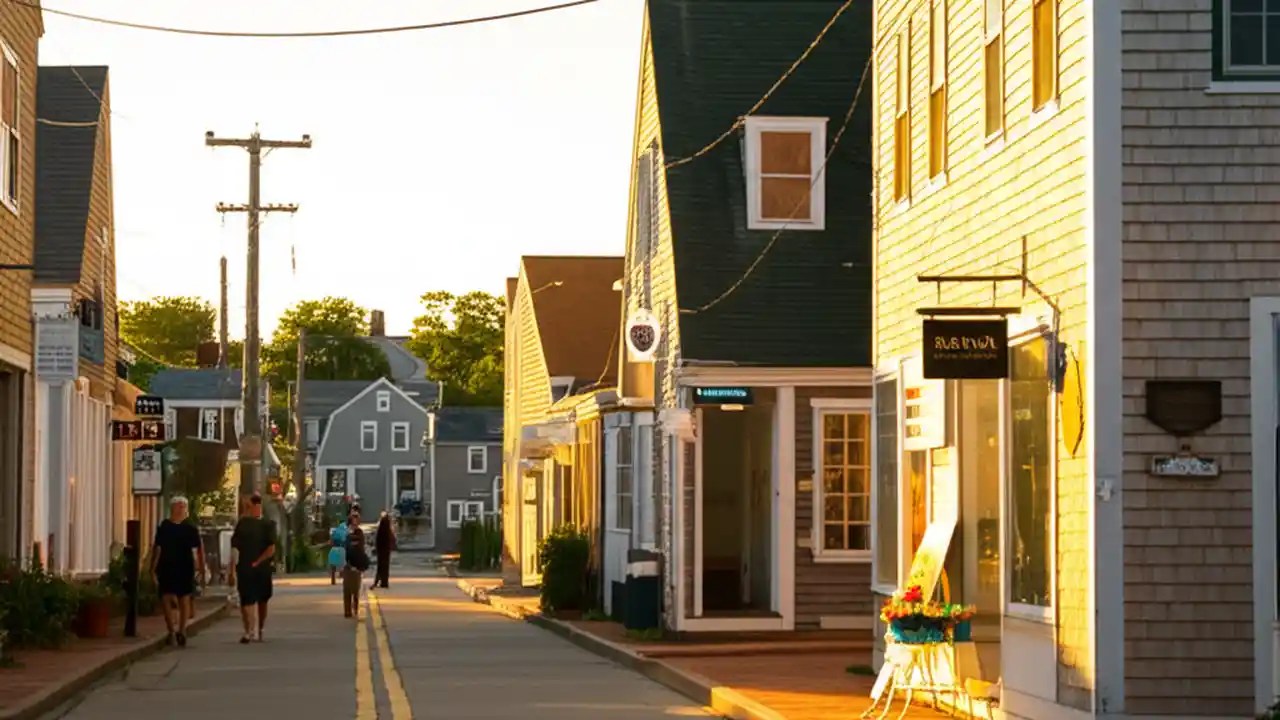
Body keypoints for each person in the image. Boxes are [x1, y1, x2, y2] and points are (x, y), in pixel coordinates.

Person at [151, 496, 206, 648]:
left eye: (183, 506)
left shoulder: (190, 528)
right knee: (166, 598)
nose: (181, 509)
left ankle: (182, 630)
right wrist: (152, 569)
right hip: (167, 566)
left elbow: (199, 549)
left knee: (184, 599)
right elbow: (157, 548)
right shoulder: (165, 526)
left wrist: (201, 568)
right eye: (178, 506)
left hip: (185, 566)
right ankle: (171, 631)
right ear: (172, 508)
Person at [229, 494, 276, 644]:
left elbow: (271, 548)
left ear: (259, 507)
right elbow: (234, 548)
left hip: (261, 569)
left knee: (262, 600)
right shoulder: (242, 524)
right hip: (244, 567)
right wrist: (231, 569)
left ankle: (259, 629)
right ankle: (248, 631)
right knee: (246, 599)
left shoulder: (267, 524)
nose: (251, 509)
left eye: (253, 506)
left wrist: (259, 561)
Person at [342, 511, 370, 618]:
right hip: (348, 564)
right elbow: (345, 548)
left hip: (357, 565)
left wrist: (361, 564)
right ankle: (347, 611)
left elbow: (361, 549)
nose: (356, 523)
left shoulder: (360, 533)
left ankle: (355, 607)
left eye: (357, 520)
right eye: (354, 520)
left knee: (356, 589)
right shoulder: (346, 533)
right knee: (347, 589)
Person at [373, 511, 396, 589]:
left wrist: (376, 548)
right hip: (386, 550)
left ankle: (377, 581)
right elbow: (392, 539)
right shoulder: (388, 529)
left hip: (381, 550)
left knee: (380, 566)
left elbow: (377, 539)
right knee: (385, 566)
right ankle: (384, 582)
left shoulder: (380, 528)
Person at [328, 519, 349, 586]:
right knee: (344, 564)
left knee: (333, 565)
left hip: (334, 548)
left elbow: (331, 541)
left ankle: (333, 580)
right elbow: (347, 541)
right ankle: (343, 577)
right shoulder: (346, 531)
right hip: (342, 548)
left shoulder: (334, 531)